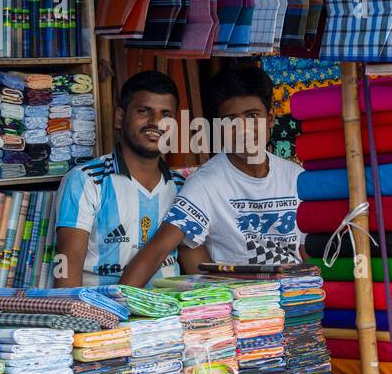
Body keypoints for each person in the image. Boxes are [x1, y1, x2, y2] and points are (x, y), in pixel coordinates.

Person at [119, 64, 301, 286]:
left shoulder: (297, 178)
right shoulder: (205, 185)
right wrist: (114, 307)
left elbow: (308, 251)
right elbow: (157, 250)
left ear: (270, 119)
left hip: (302, 299)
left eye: (252, 116)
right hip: (245, 307)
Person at [54, 70, 184, 287]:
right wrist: (73, 315)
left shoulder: (182, 187)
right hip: (100, 310)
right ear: (120, 117)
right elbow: (68, 264)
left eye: (166, 115)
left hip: (167, 314)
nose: (156, 122)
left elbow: (196, 268)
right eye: (144, 111)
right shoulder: (87, 181)